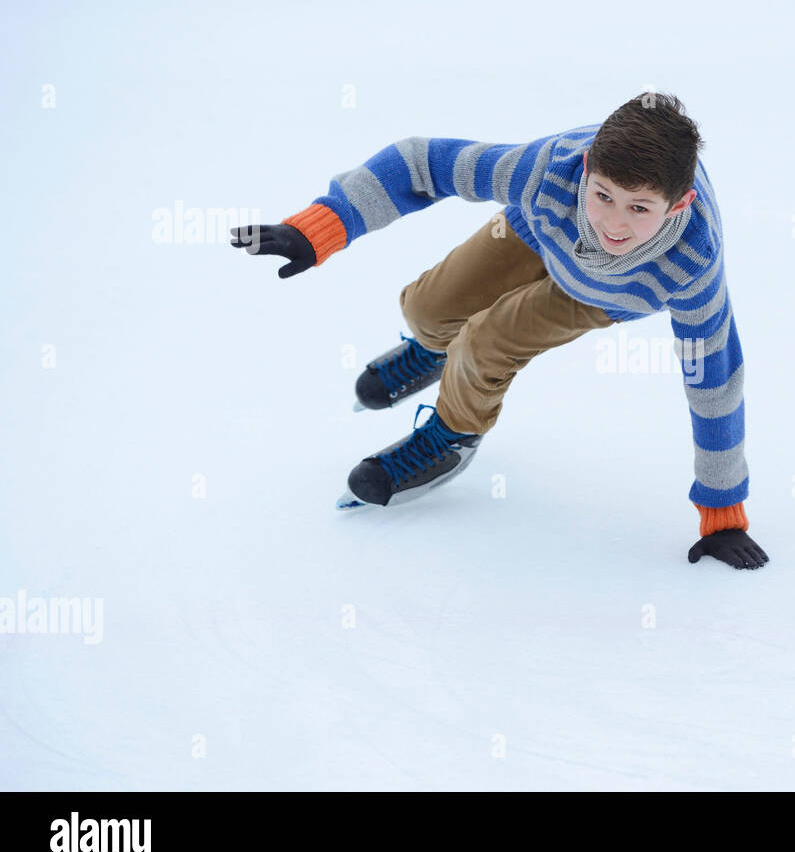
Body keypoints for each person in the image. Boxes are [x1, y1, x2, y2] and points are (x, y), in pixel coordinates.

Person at [230, 92, 768, 570]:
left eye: (640, 208)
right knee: (428, 306)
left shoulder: (692, 264)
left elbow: (714, 379)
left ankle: (452, 433)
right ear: (585, 170)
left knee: (484, 343)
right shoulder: (546, 171)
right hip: (535, 228)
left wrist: (723, 508)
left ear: (680, 204)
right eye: (602, 195)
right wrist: (322, 226)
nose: (613, 225)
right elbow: (421, 163)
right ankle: (430, 349)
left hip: (606, 294)